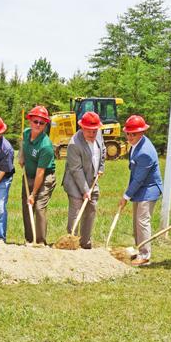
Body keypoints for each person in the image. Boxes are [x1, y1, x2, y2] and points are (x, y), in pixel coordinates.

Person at [118, 115, 162, 266]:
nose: (130, 136)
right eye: (128, 133)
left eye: (133, 134)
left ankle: (145, 256)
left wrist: (126, 196)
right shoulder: (136, 144)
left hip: (149, 189)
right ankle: (138, 250)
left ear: (142, 132)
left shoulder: (145, 152)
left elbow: (139, 179)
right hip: (140, 188)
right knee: (136, 221)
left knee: (142, 221)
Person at [62, 111, 105, 249]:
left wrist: (101, 167)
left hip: (92, 178)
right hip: (75, 181)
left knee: (91, 208)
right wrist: (85, 190)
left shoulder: (98, 134)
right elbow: (76, 170)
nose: (92, 134)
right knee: (76, 210)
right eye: (89, 131)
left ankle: (85, 242)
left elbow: (103, 150)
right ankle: (72, 242)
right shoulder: (74, 144)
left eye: (94, 131)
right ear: (82, 128)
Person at [19, 105, 56, 244]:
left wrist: (33, 194)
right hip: (28, 174)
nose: (38, 125)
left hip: (45, 177)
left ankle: (40, 241)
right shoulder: (26, 133)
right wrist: (21, 156)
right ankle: (30, 239)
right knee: (26, 206)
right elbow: (22, 142)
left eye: (42, 123)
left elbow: (41, 172)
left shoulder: (46, 146)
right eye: (35, 121)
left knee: (39, 206)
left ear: (45, 124)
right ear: (30, 121)